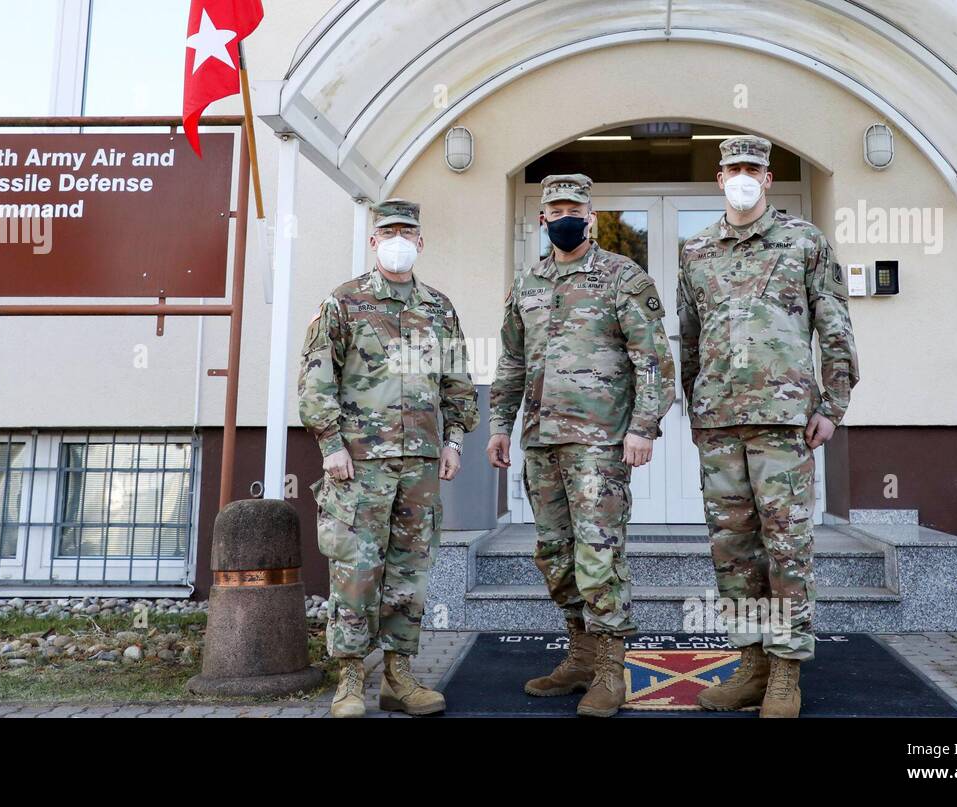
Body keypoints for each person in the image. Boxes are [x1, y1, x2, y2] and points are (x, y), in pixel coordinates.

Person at [676, 136, 859, 718]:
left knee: (787, 547)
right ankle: (751, 664)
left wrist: (832, 405)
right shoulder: (696, 249)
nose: (742, 176)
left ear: (769, 176)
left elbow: (835, 326)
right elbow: (687, 336)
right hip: (719, 421)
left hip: (785, 422)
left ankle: (786, 672)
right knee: (733, 551)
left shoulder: (803, 241)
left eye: (752, 167)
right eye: (733, 168)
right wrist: (692, 407)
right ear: (718, 177)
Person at [488, 173, 675, 717]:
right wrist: (499, 424)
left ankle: (613, 673)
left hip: (600, 444)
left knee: (599, 556)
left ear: (590, 217)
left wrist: (644, 427)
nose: (564, 216)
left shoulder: (623, 277)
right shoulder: (528, 285)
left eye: (574, 207)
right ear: (542, 218)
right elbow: (511, 362)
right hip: (540, 443)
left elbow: (654, 360)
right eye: (555, 208)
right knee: (554, 555)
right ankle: (581, 655)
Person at [298, 199, 478, 718]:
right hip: (359, 462)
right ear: (373, 241)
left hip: (420, 461)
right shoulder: (344, 302)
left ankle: (398, 676)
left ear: (420, 242)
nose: (398, 239)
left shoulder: (439, 308)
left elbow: (457, 382)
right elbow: (316, 378)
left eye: (408, 231)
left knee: (408, 570)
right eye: (388, 231)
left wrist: (454, 441)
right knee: (357, 568)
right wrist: (330, 445)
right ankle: (350, 678)